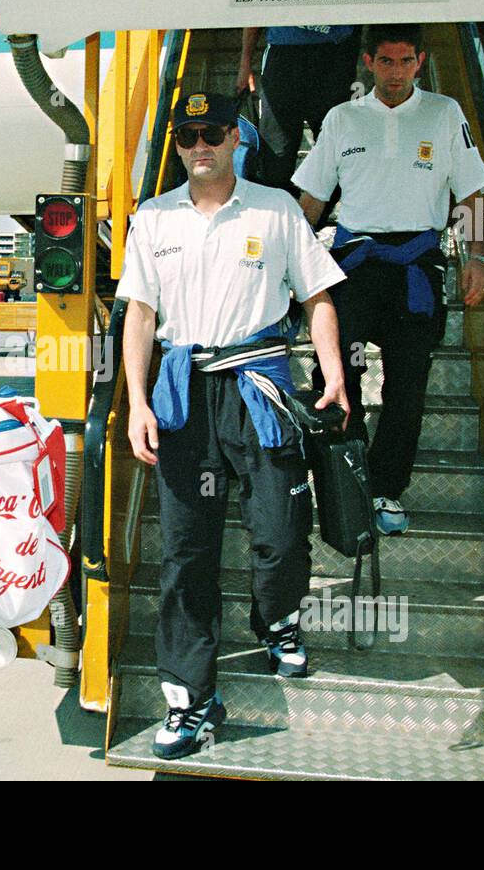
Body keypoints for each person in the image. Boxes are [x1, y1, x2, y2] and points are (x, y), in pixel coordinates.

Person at [117, 91, 350, 760]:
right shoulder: (153, 218)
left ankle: (276, 619)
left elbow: (318, 297)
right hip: (184, 394)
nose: (199, 146)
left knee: (279, 535)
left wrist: (332, 372)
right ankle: (191, 699)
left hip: (260, 387)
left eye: (211, 133)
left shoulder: (275, 210)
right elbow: (138, 315)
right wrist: (136, 401)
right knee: (187, 552)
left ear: (235, 138)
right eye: (187, 135)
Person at [292, 24, 484, 536]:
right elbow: (312, 200)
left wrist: (478, 259)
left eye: (406, 61)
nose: (396, 72)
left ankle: (385, 488)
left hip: (416, 266)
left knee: (408, 386)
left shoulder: (444, 113)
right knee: (334, 378)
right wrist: (288, 265)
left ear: (420, 61)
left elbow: (472, 193)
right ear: (368, 62)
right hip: (356, 263)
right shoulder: (342, 119)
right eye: (386, 62)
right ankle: (344, 478)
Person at [236, 25, 361, 200]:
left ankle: (313, 221)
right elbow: (251, 9)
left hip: (335, 53)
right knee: (275, 160)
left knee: (339, 157)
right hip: (284, 53)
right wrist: (245, 62)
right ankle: (282, 221)